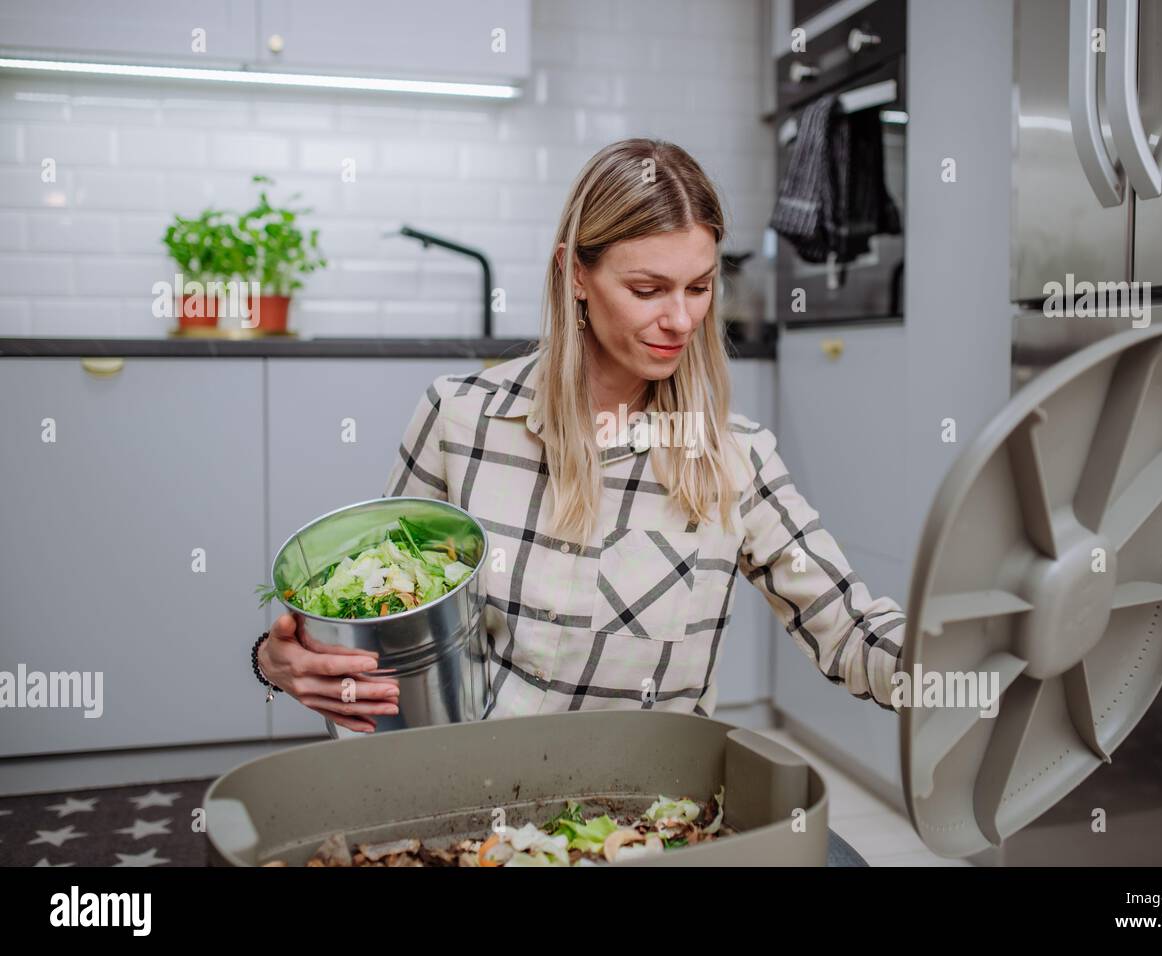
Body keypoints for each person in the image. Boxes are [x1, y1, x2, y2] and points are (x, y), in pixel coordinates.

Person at [254, 138, 906, 733]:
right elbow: (379, 621)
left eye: (700, 287)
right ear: (575, 275)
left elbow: (849, 631)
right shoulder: (459, 420)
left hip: (641, 816)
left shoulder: (736, 457)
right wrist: (276, 660)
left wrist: (965, 677)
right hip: (472, 801)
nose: (681, 319)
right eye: (648, 289)